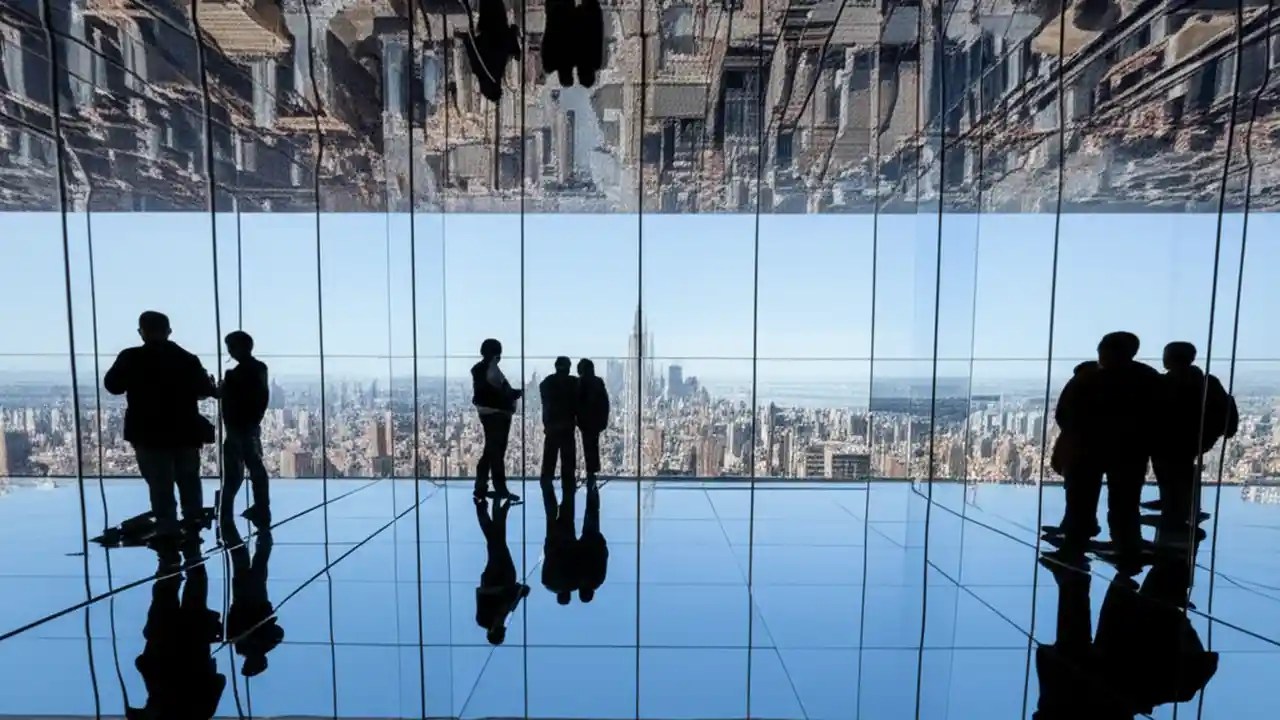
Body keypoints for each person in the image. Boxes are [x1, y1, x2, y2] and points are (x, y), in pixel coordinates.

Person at [104, 311, 216, 537]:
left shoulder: (130, 357)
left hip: (148, 432)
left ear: (141, 332)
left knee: (160, 485)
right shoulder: (187, 359)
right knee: (189, 482)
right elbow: (205, 390)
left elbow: (113, 386)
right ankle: (193, 529)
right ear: (169, 331)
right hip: (184, 430)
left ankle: (168, 532)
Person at [1051, 331, 1160, 554]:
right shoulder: (1148, 378)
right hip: (1130, 451)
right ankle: (1127, 547)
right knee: (1125, 504)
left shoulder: (1086, 378)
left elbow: (1064, 414)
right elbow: (1159, 416)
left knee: (1080, 502)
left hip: (1085, 450)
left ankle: (1074, 547)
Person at [1147, 342, 1238, 527]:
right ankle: (1177, 505)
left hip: (1173, 438)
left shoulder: (1167, 382)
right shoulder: (1206, 381)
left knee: (1168, 471)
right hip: (1196, 437)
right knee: (1179, 471)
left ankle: (1174, 510)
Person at [216, 331, 271, 527]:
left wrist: (221, 388)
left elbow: (226, 399)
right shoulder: (260, 369)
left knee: (233, 474)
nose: (230, 351)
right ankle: (262, 506)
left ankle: (225, 512)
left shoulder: (234, 375)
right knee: (256, 468)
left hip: (236, 428)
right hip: (252, 426)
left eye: (231, 347)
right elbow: (262, 399)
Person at [224, 523, 283, 677]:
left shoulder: (241, 646)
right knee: (256, 559)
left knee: (245, 557)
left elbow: (231, 623)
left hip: (245, 597)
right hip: (254, 596)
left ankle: (229, 523)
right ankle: (261, 526)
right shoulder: (265, 644)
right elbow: (278, 632)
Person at [474, 497, 529, 645]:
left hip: (495, 575)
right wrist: (521, 592)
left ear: (490, 631)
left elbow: (480, 592)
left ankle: (491, 506)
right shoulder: (503, 616)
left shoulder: (483, 619)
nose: (501, 627)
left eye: (498, 630)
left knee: (495, 541)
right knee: (497, 540)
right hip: (506, 574)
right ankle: (495, 505)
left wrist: (501, 590)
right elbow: (515, 595)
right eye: (502, 630)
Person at [472, 339, 522, 502]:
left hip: (486, 413)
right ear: (496, 354)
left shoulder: (479, 369)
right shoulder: (492, 369)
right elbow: (501, 391)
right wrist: (513, 395)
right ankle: (500, 488)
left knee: (490, 450)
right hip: (497, 415)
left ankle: (481, 487)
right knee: (497, 451)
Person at [539, 356, 579, 503]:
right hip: (567, 426)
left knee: (549, 458)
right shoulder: (574, 383)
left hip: (552, 426)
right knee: (568, 461)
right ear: (568, 367)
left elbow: (545, 404)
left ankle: (546, 480)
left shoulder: (546, 383)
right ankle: (568, 482)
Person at [576, 358, 610, 486]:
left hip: (585, 421)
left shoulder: (581, 382)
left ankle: (590, 472)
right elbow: (605, 402)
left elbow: (577, 402)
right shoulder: (598, 382)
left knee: (588, 446)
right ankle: (593, 471)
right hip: (596, 421)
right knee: (593, 445)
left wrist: (577, 419)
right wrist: (604, 420)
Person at [576, 477, 608, 603]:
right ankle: (591, 487)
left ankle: (592, 487)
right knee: (591, 512)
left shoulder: (598, 580)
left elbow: (604, 557)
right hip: (586, 540)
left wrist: (601, 542)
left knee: (593, 512)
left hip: (593, 540)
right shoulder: (577, 578)